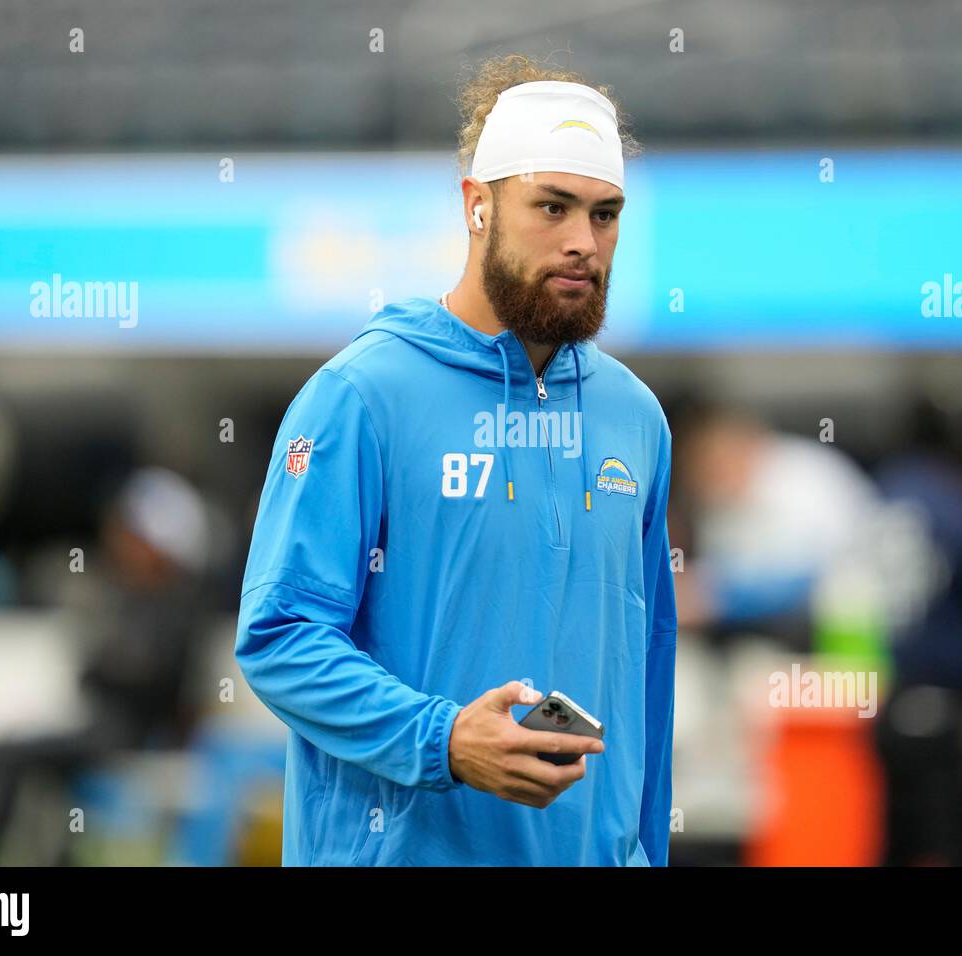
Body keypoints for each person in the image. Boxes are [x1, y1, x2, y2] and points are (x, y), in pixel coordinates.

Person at [235, 55, 677, 865]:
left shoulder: (636, 420)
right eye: (553, 207)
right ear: (477, 205)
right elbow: (281, 636)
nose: (584, 243)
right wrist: (441, 741)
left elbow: (649, 677)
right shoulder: (361, 397)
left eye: (606, 214)